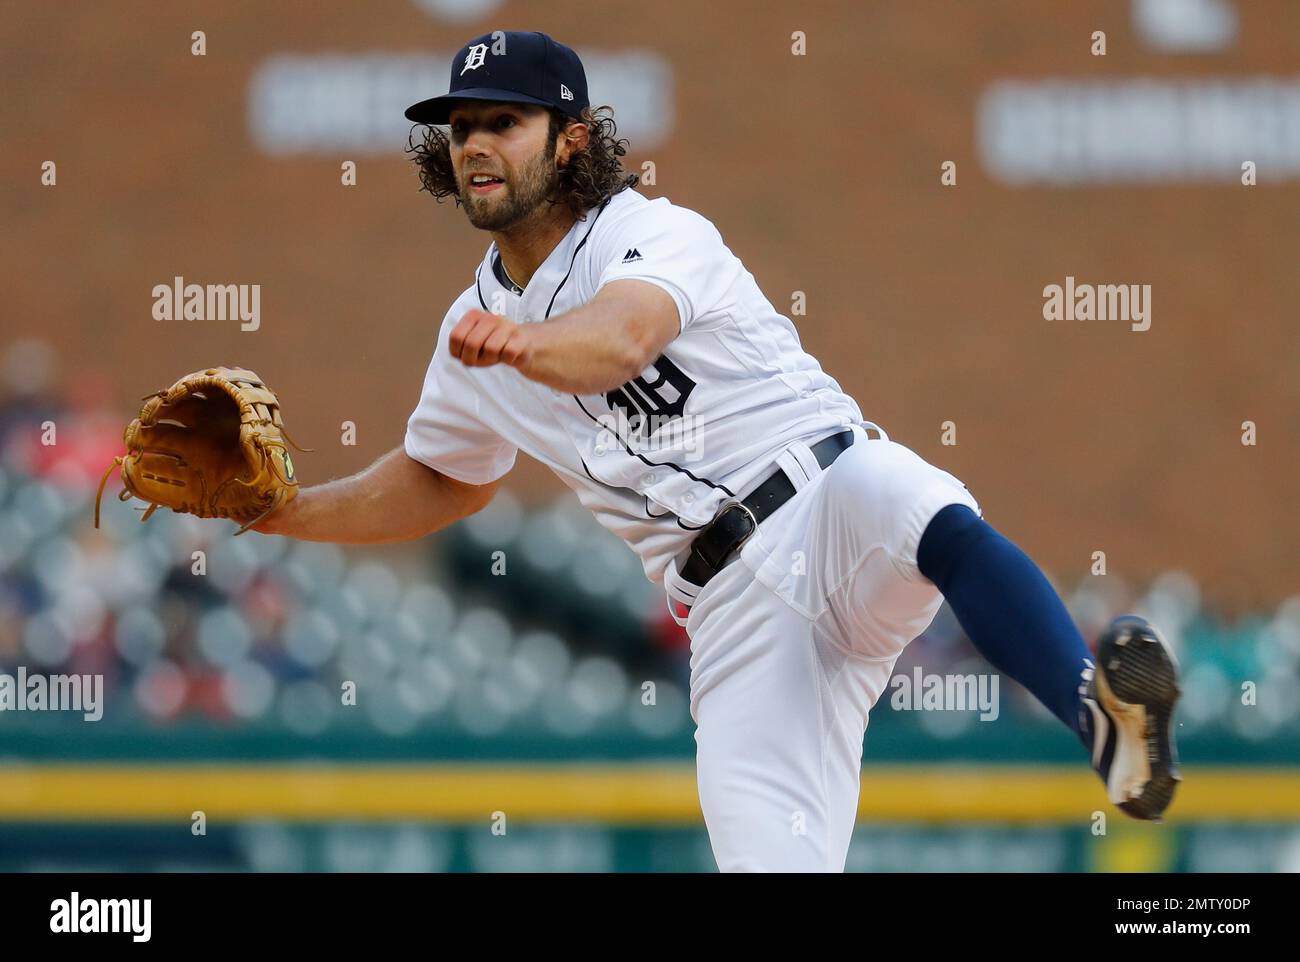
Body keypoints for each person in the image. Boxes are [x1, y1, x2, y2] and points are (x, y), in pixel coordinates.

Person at [254, 30, 1181, 872]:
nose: (476, 144)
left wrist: (526, 346)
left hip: (825, 494)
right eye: (460, 127)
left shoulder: (652, 233)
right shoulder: (472, 329)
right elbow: (438, 481)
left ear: (572, 138)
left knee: (916, 502)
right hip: (733, 616)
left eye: (506, 120)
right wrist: (279, 509)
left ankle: (1095, 711)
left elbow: (622, 338)